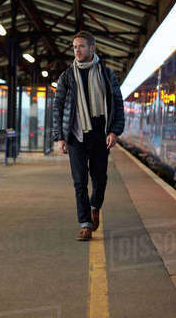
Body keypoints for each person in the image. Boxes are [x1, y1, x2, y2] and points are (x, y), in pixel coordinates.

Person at [52, 31, 125, 241]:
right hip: (76, 135)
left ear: (92, 48)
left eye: (81, 46)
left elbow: (117, 103)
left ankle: (95, 206)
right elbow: (58, 107)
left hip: (100, 134)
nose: (77, 50)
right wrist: (60, 137)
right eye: (74, 47)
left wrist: (114, 131)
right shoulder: (67, 76)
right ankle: (85, 224)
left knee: (100, 178)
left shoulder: (106, 73)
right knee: (79, 181)